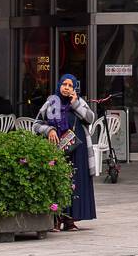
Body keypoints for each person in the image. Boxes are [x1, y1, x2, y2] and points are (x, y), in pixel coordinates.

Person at [33, 74, 97, 231]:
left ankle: (70, 220)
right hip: (56, 149)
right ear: (59, 85)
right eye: (64, 84)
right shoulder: (51, 102)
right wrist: (49, 130)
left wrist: (75, 103)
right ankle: (55, 218)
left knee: (76, 182)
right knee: (57, 181)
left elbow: (90, 118)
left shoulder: (78, 101)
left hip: (78, 148)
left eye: (70, 85)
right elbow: (36, 124)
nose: (67, 87)